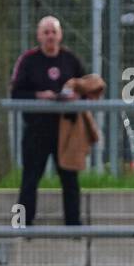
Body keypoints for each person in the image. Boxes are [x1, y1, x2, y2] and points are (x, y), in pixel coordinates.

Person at [11, 16, 86, 225]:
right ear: (38, 35)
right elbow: (15, 94)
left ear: (60, 35)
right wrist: (39, 96)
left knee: (70, 180)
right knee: (29, 179)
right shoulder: (28, 61)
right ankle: (22, 224)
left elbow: (87, 87)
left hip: (66, 132)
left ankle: (73, 226)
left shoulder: (71, 60)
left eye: (53, 32)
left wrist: (75, 97)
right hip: (37, 130)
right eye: (46, 32)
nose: (50, 36)